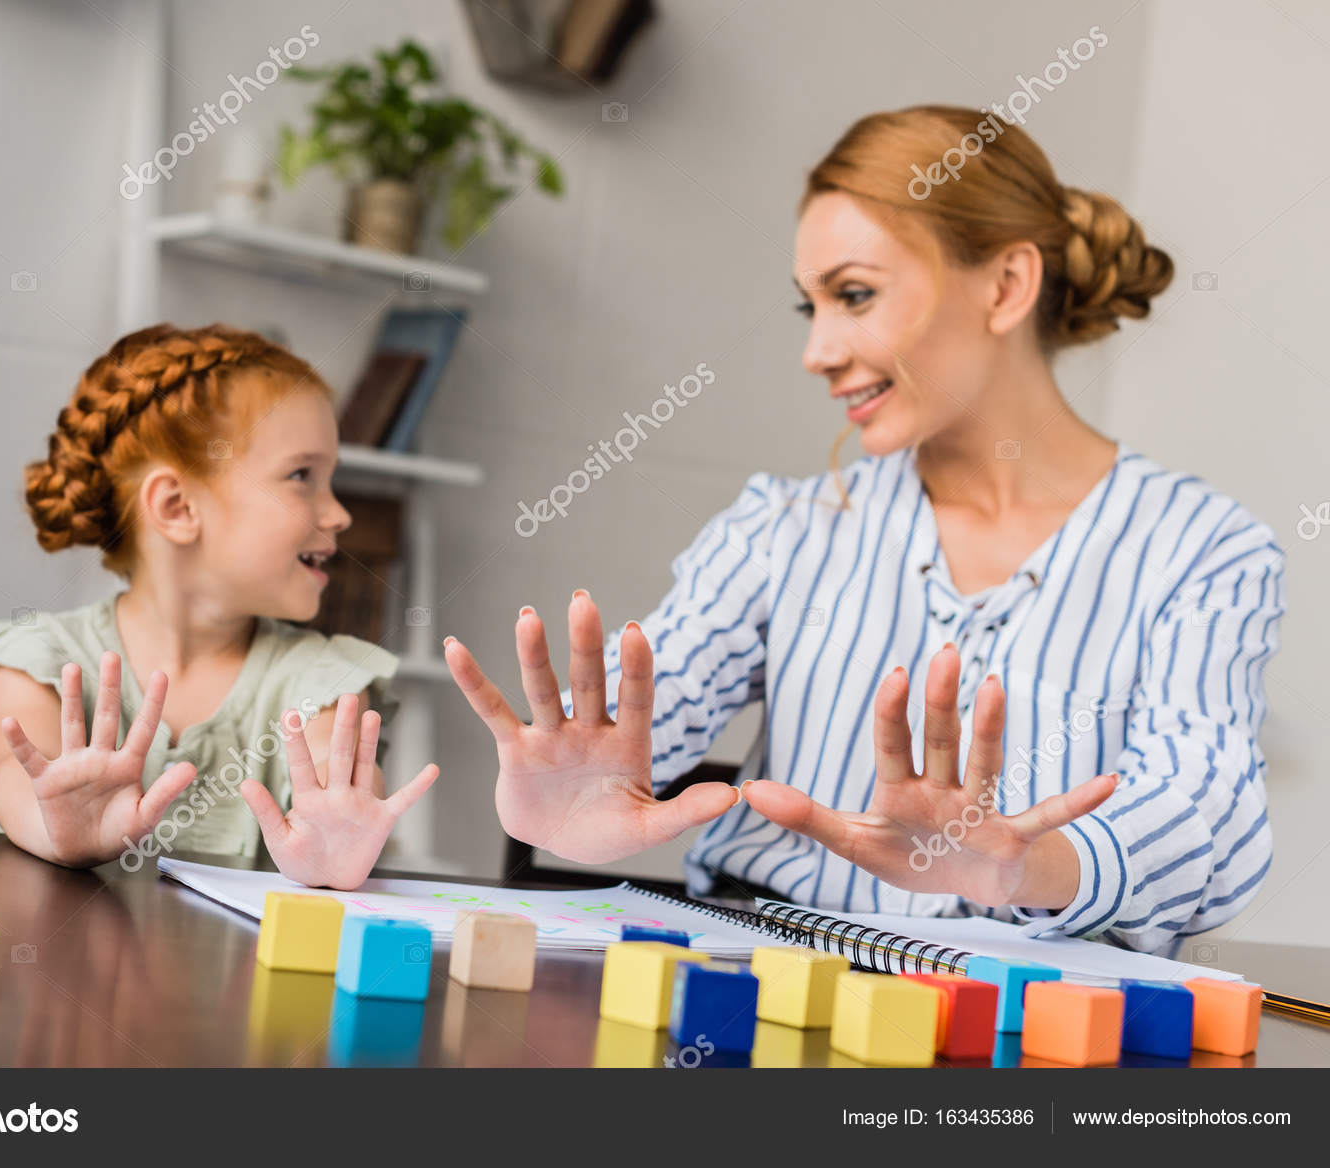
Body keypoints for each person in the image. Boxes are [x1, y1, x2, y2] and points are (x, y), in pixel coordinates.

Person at [444, 106, 1282, 956]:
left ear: (1006, 286)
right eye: (809, 307)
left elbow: (1208, 815)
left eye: (854, 295)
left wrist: (1026, 868)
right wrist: (582, 787)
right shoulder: (784, 529)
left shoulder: (1203, 549)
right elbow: (655, 705)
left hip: (1031, 1037)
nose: (818, 351)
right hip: (752, 986)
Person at [0, 324, 437, 887]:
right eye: (302, 476)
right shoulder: (41, 664)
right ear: (177, 507)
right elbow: (21, 787)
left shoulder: (323, 684)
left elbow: (336, 783)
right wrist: (60, 829)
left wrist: (338, 840)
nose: (339, 514)